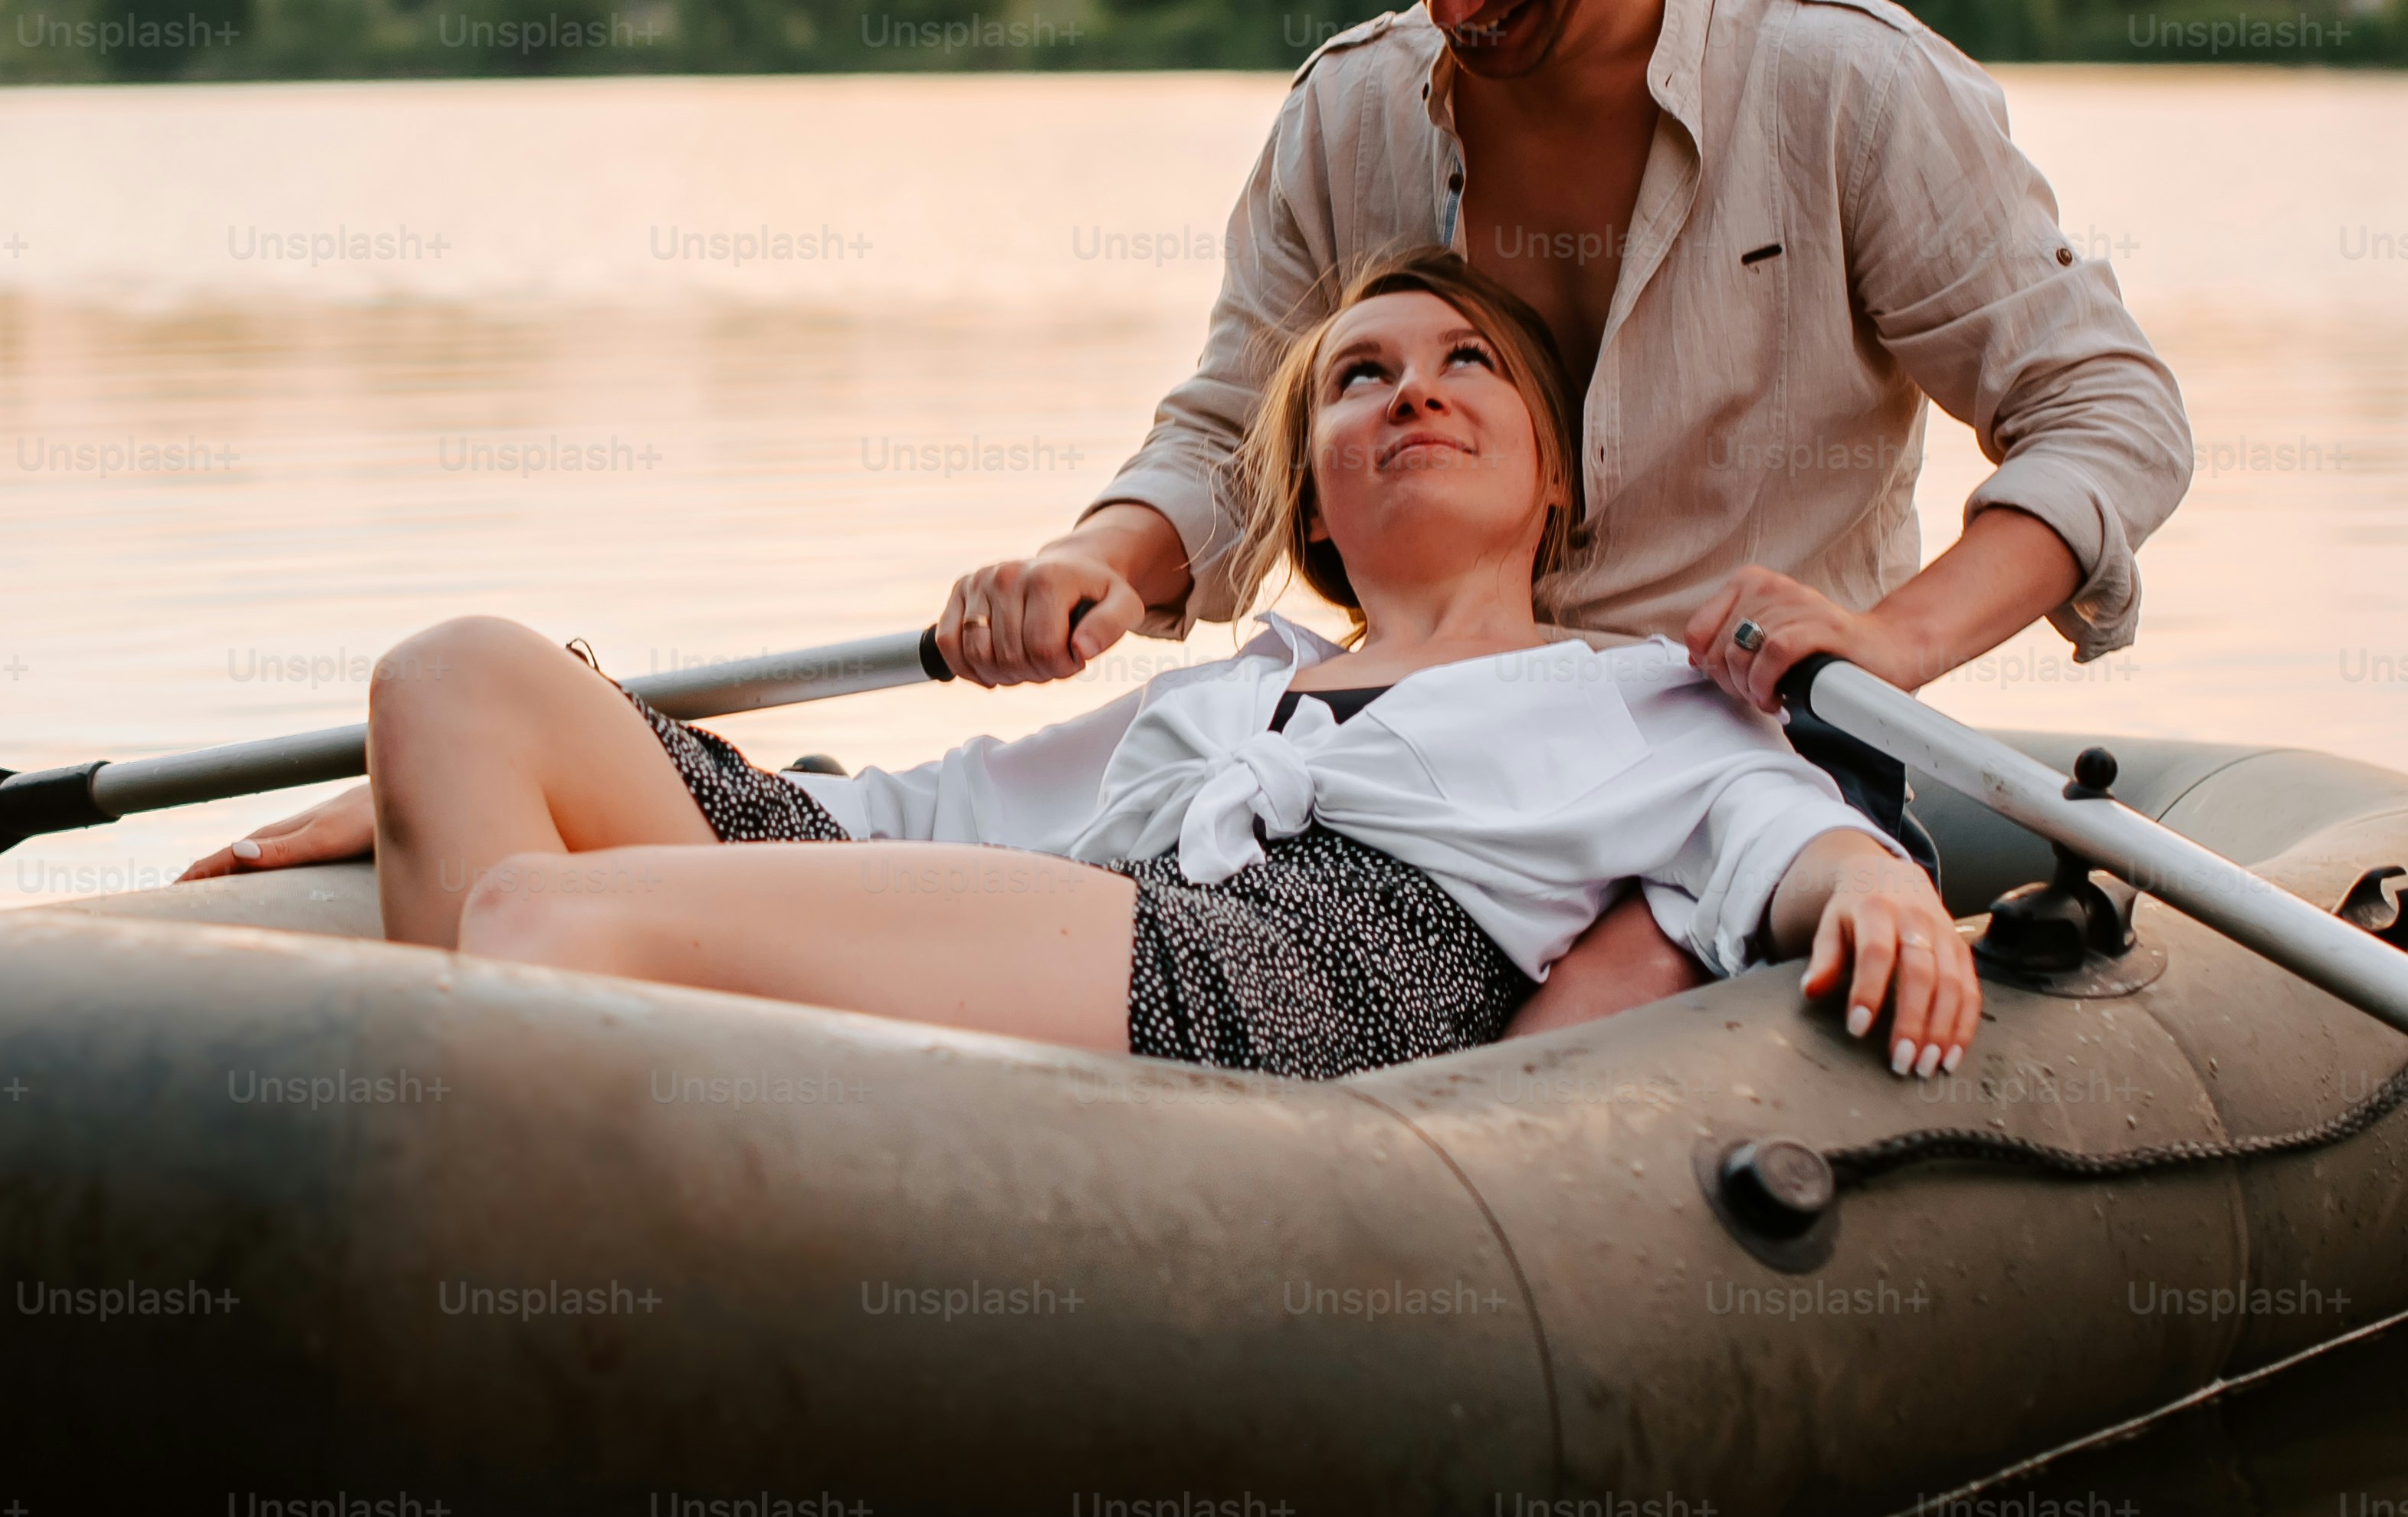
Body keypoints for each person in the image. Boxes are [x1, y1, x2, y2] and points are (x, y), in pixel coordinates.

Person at [935, 0, 2191, 1010]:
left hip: (1748, 768)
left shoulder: (1851, 89)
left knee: (1615, 980)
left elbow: (2109, 416)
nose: (1450, 3)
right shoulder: (1343, 117)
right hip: (1431, 770)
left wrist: (1894, 640)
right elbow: (1233, 435)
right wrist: (1098, 555)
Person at [180, 250, 1981, 1084]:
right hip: (1087, 917)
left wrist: (1881, 883)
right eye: (1360, 375)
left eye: (1466, 367)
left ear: (1558, 476)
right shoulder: (1225, 687)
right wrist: (486, 776)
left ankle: (504, 1334)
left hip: (1287, 979)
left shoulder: (1636, 690)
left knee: (537, 916)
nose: (1411, 390)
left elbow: (1782, 832)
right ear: (1313, 507)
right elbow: (912, 815)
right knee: (451, 677)